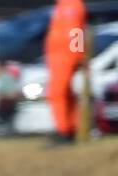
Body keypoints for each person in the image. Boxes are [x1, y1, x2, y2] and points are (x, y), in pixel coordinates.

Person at [44, 0, 86, 145]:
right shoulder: (61, 5)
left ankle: (63, 130)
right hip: (56, 55)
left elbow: (77, 31)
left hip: (65, 55)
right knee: (64, 93)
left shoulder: (72, 5)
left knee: (56, 93)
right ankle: (68, 128)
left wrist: (77, 55)